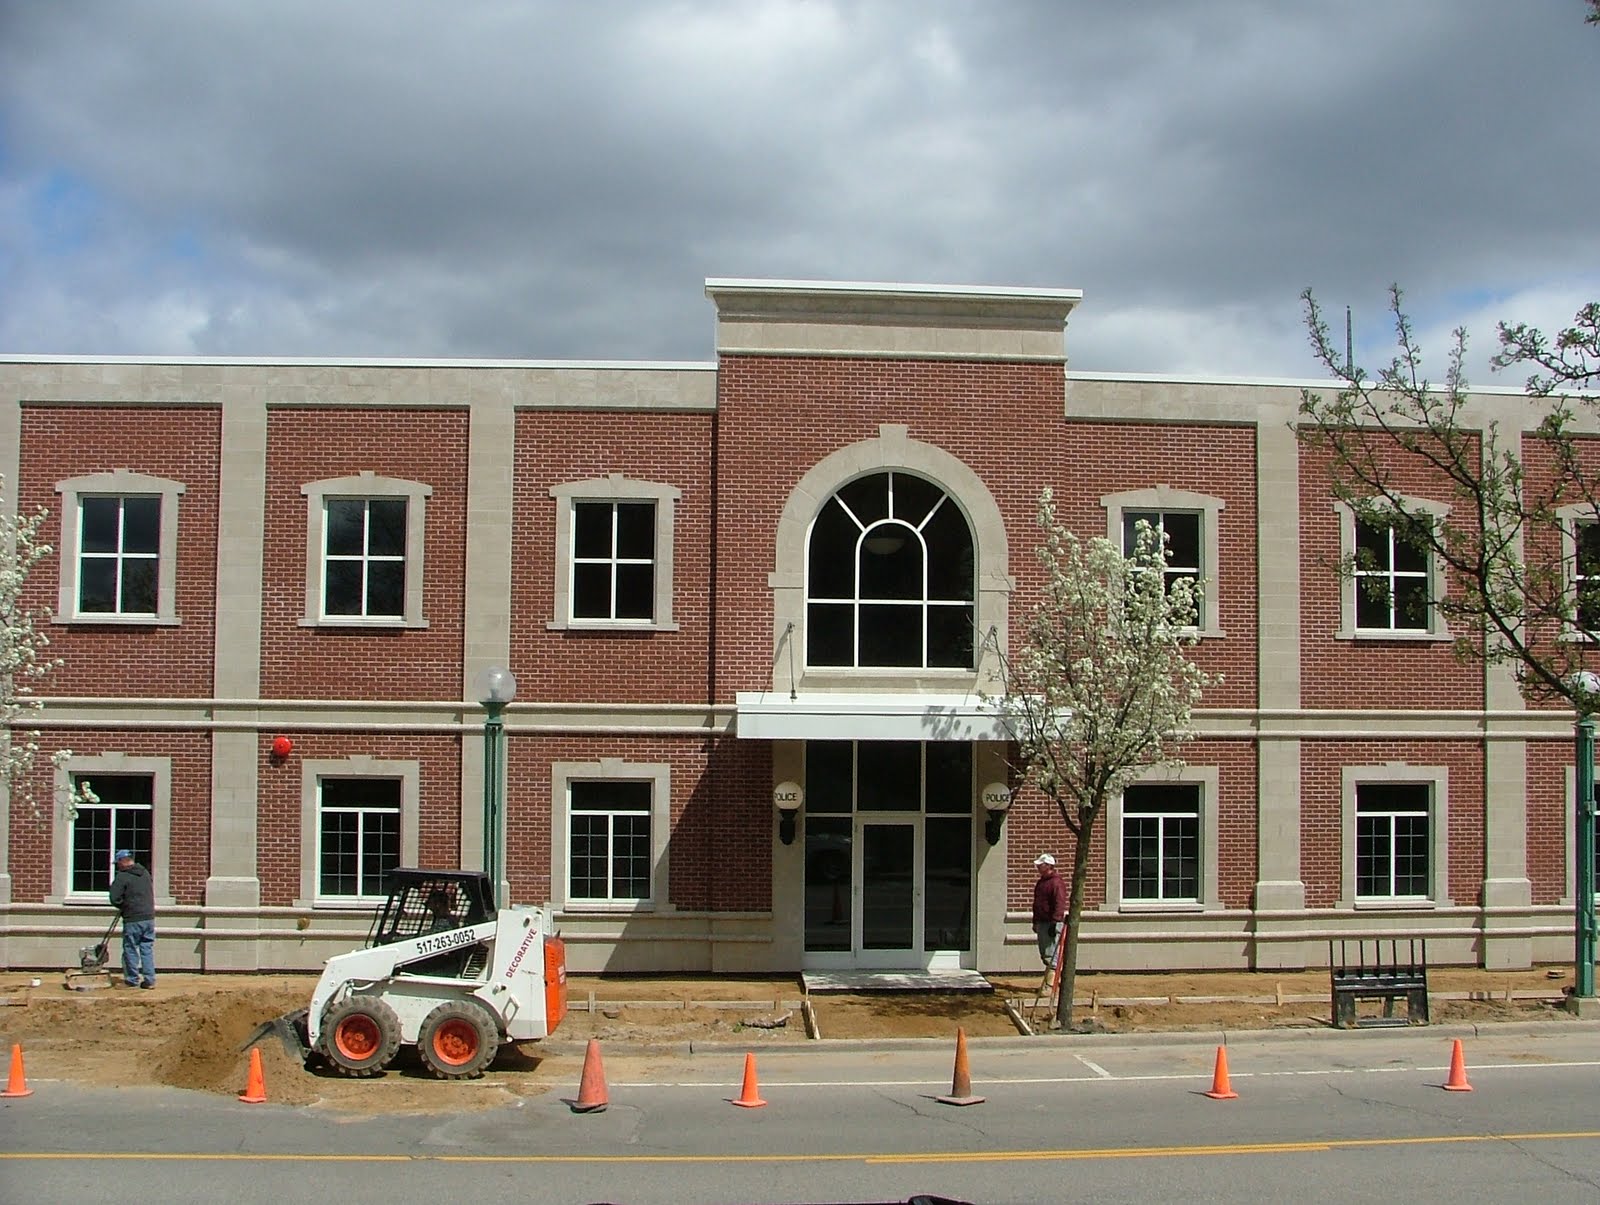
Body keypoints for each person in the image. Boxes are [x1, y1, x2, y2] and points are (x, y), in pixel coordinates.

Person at [109, 849, 156, 988]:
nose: (117, 866)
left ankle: (132, 979)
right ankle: (150, 980)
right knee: (146, 948)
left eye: (118, 863)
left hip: (133, 918)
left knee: (130, 948)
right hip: (149, 917)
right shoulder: (145, 873)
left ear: (122, 862)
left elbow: (114, 898)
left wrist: (123, 905)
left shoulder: (122, 876)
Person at [1032, 852, 1067, 969]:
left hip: (1051, 923)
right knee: (1045, 954)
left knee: (1051, 954)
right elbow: (1037, 903)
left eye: (1041, 865)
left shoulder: (1056, 882)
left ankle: (1054, 977)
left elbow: (1059, 903)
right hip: (1042, 922)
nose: (1038, 867)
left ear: (1048, 866)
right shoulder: (1041, 882)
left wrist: (1055, 922)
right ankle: (1052, 976)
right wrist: (1035, 921)